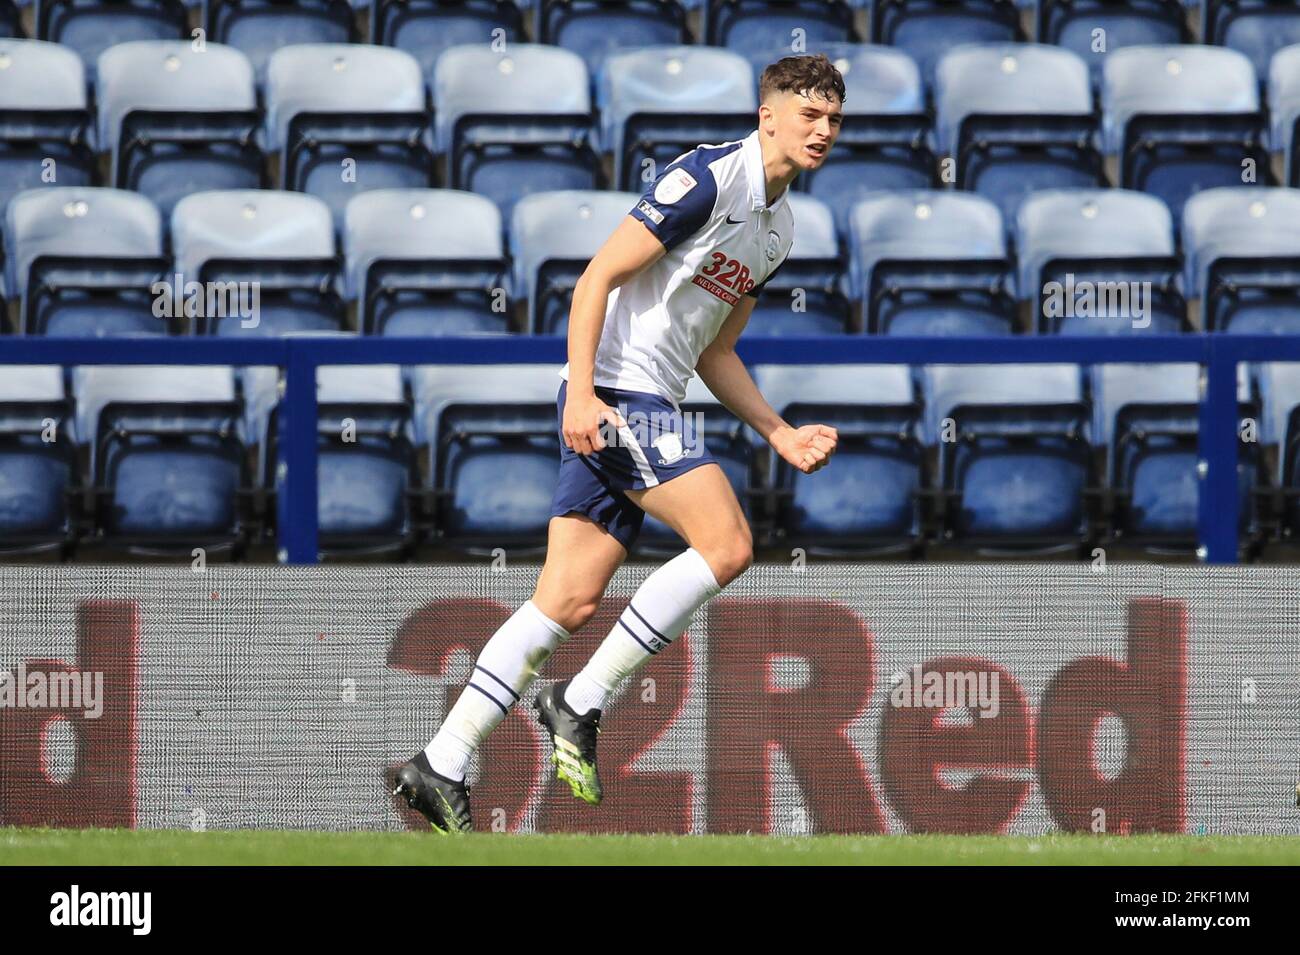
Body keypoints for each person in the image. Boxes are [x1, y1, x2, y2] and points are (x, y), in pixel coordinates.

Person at [393, 53, 846, 833]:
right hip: (618, 392)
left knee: (565, 599)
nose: (824, 130)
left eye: (834, 119)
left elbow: (715, 351)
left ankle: (438, 762)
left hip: (649, 395)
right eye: (809, 114)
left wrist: (777, 430)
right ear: (767, 113)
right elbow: (595, 278)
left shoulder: (782, 226)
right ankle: (579, 700)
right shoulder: (707, 179)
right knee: (728, 542)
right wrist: (582, 390)